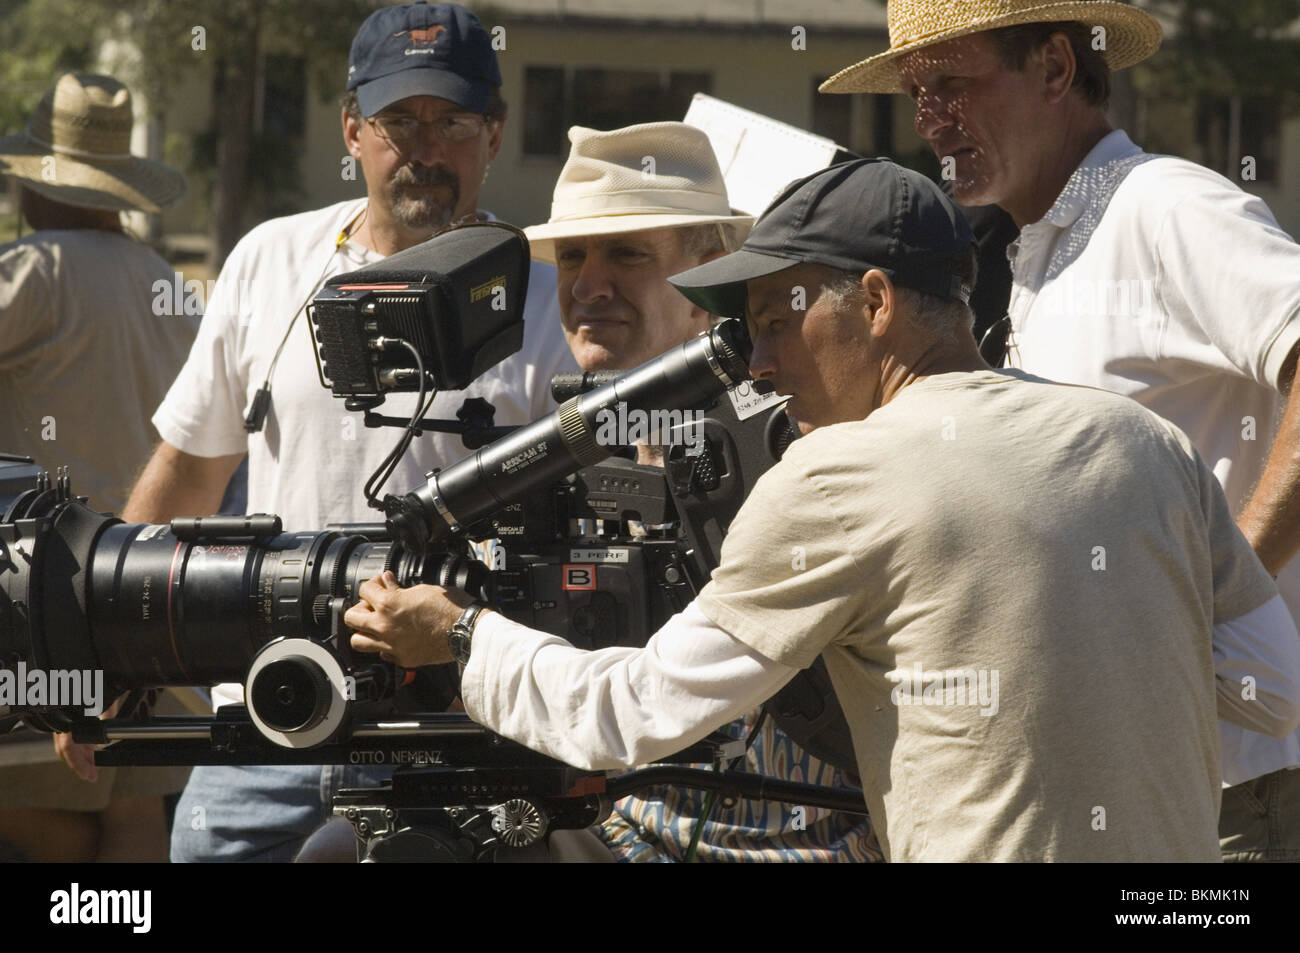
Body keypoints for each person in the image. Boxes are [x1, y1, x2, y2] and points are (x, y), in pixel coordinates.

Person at [346, 158, 1300, 862]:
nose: (757, 362)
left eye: (772, 320)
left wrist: (462, 637)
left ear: (876, 301)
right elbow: (1273, 684)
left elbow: (631, 714)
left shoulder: (838, 473)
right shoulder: (1146, 444)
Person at [53, 2, 577, 863]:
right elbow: (188, 467)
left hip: (454, 727)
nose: (425, 146)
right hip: (266, 706)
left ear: (495, 132)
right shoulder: (268, 262)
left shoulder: (545, 303)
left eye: (452, 121)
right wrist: (109, 650)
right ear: (351, 128)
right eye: (398, 120)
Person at [819, 0, 1300, 861]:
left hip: (1235, 793)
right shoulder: (1027, 254)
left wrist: (1218, 599)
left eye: (954, 84)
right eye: (918, 91)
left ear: (1053, 68)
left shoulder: (1165, 206)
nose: (930, 117)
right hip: (1146, 789)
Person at [521, 120, 883, 861]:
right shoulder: (555, 450)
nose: (589, 284)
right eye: (571, 258)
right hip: (620, 837)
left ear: (711, 276)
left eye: (627, 254)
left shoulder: (803, 438)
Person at [0, 71, 196, 860]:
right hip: (157, 603)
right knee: (134, 813)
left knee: (41, 822)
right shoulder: (164, 283)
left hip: (41, 605)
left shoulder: (36, 270)